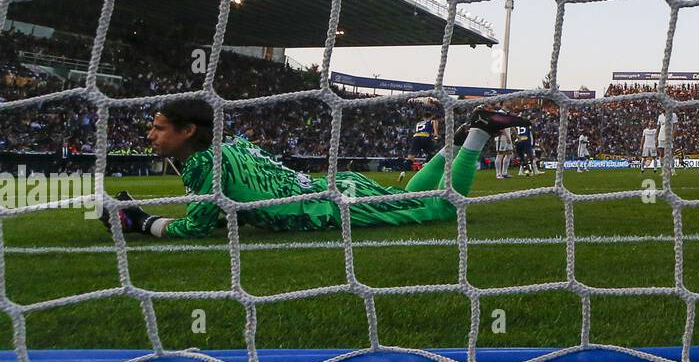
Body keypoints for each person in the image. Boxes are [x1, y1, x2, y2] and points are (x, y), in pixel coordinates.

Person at [100, 98, 527, 239]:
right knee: (412, 195)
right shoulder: (227, 148)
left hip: (328, 205)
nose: (150, 136)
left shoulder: (203, 165)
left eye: (158, 128)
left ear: (188, 130)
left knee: (441, 208)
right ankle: (469, 132)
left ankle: (479, 134)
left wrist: (142, 222)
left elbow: (197, 227)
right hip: (334, 188)